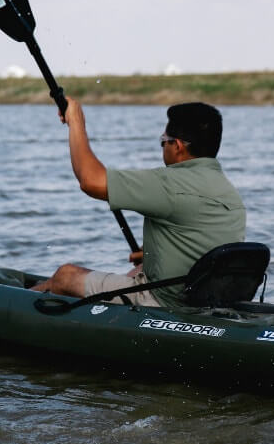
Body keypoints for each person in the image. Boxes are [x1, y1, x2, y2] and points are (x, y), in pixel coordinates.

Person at [30, 97, 245, 308]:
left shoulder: (170, 183)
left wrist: (76, 122)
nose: (163, 147)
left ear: (177, 146)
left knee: (64, 276)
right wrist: (157, 253)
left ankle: (13, 303)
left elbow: (90, 181)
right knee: (137, 270)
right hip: (204, 299)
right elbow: (201, 243)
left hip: (165, 301)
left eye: (164, 141)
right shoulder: (229, 192)